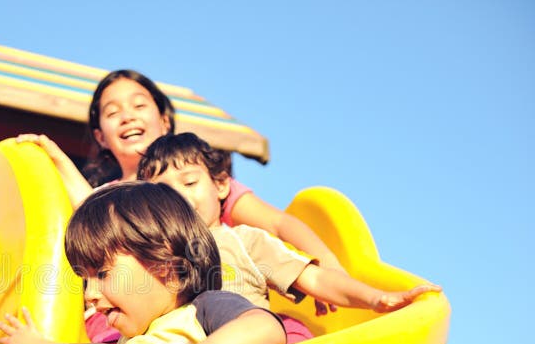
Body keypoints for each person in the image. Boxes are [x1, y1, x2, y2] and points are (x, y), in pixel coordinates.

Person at [0, 182, 287, 344]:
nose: (90, 295)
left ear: (167, 267)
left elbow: (265, 330)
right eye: (85, 280)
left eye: (103, 274)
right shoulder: (132, 343)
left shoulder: (202, 310)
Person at [15, 69, 345, 278]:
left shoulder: (197, 182)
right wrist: (56, 157)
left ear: (165, 121)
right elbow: (89, 205)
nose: (128, 116)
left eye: (140, 106)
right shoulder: (113, 197)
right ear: (101, 137)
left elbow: (276, 222)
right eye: (113, 112)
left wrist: (327, 263)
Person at [137, 132, 442, 324]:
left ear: (220, 185)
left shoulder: (246, 242)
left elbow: (317, 280)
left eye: (189, 182)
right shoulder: (150, 264)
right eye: (164, 191)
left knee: (289, 331)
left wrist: (375, 298)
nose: (179, 196)